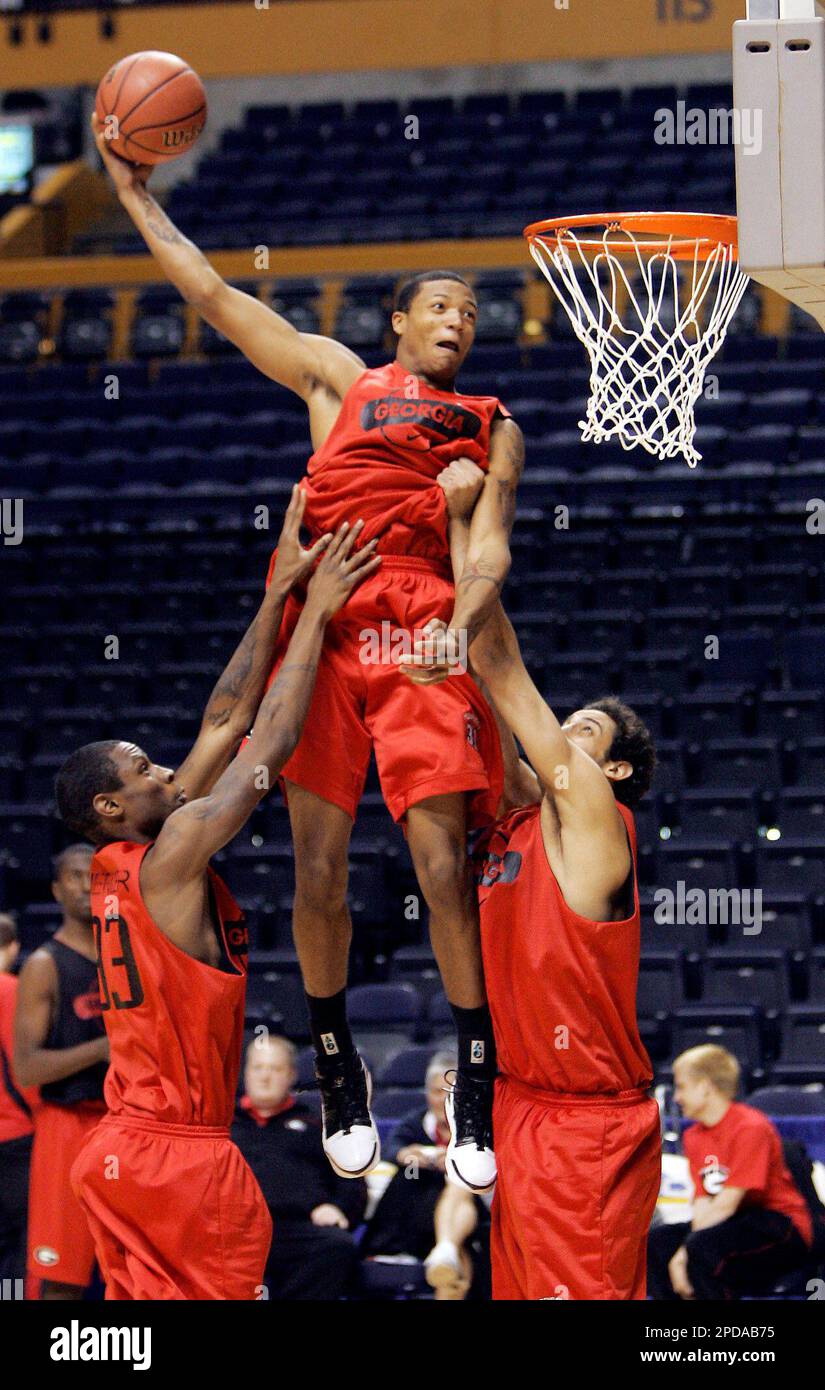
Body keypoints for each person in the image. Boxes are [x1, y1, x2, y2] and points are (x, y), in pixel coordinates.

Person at [92, 112, 524, 1190]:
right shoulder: (338, 379)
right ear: (395, 322)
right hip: (325, 625)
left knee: (440, 867)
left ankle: (477, 1069)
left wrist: (457, 627)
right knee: (317, 867)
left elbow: (493, 554)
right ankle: (335, 1059)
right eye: (439, 306)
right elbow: (214, 295)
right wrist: (138, 194)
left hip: (419, 629)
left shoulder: (489, 425)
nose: (458, 321)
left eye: (471, 311)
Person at [54, 500, 380, 1299]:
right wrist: (319, 616)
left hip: (115, 1152)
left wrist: (278, 592)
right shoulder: (171, 860)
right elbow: (263, 743)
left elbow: (223, 717)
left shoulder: (117, 866)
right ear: (108, 806)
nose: (165, 771)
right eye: (144, 770)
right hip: (180, 1155)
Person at [402, 461, 660, 1299]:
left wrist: (467, 521)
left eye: (582, 728)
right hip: (521, 1103)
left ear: (614, 768)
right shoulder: (520, 815)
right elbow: (482, 686)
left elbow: (502, 667)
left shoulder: (593, 812)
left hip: (585, 1119)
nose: (561, 735)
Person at [647, 1045, 815, 1300]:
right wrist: (679, 1250)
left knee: (701, 1249)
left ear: (705, 1086)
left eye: (682, 1087)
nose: (677, 1098)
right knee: (658, 1243)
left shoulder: (750, 1127)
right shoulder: (694, 1137)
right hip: (733, 1221)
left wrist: (681, 1256)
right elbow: (704, 1204)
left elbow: (727, 1204)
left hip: (780, 1224)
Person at [13, 846, 106, 1300]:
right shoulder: (44, 964)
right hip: (66, 1126)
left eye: (96, 875)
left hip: (122, 1124)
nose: (88, 884)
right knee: (60, 1277)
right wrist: (105, 1048)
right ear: (56, 889)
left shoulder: (125, 958)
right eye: (75, 876)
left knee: (133, 1270)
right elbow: (27, 1067)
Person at [232, 1035, 366, 1300]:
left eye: (275, 1069)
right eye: (258, 1068)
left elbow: (352, 1180)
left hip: (296, 1228)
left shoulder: (316, 1125)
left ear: (291, 1075)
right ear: (245, 1073)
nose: (265, 1077)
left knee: (337, 1247)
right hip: (236, 1229)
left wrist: (337, 1207)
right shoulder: (224, 1125)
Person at [361, 1051, 491, 1299]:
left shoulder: (482, 1125)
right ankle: (447, 1247)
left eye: (452, 1093)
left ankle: (446, 1248)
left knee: (459, 1177)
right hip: (414, 1217)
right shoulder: (415, 1123)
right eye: (436, 1091)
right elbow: (391, 1150)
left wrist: (453, 1160)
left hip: (472, 1219)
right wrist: (408, 1155)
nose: (444, 1100)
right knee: (458, 1246)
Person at [0, 914, 38, 1295]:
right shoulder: (11, 990)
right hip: (12, 1140)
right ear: (13, 949)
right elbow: (22, 1066)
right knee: (15, 1246)